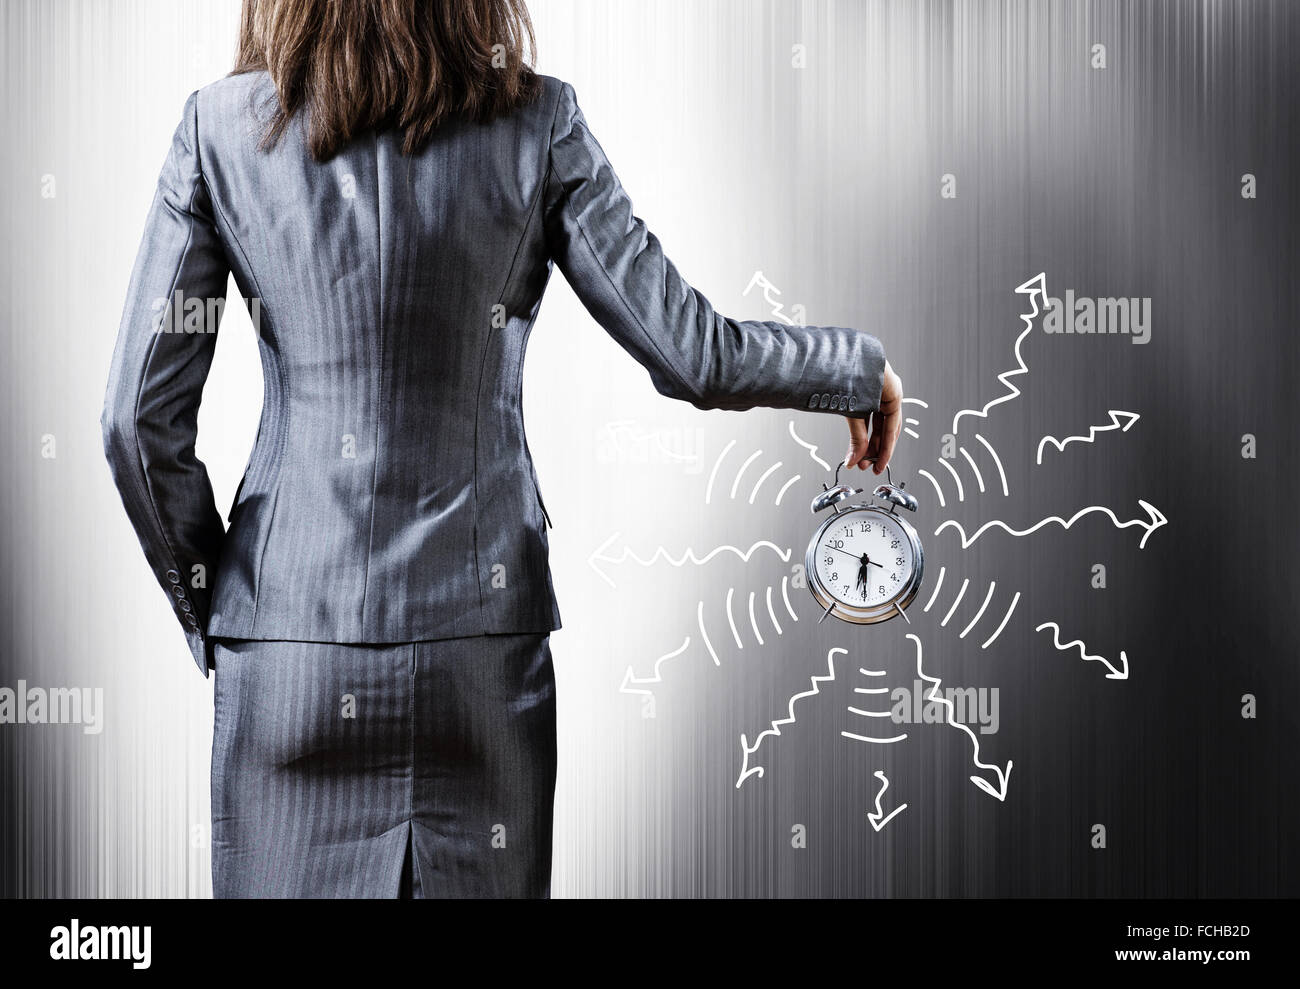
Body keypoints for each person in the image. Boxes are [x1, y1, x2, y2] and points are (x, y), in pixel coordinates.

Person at [101, 0, 904, 898]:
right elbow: (693, 352)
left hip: (289, 658)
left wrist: (225, 600)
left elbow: (135, 422)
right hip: (477, 660)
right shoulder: (536, 122)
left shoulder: (217, 130)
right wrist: (849, 367)